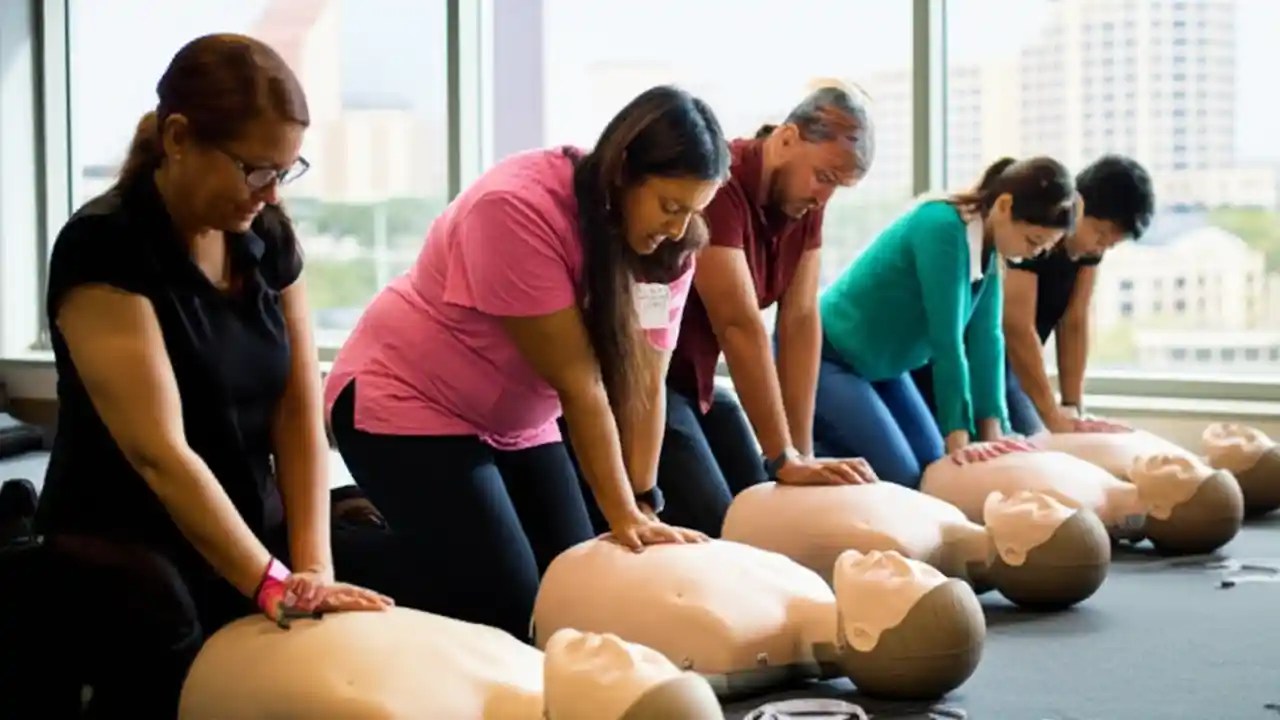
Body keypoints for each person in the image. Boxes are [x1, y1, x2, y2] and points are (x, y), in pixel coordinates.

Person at [15, 34, 392, 717]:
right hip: (130, 536)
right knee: (171, 626)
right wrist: (270, 583)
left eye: (286, 170)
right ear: (181, 138)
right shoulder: (105, 246)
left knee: (395, 567)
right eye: (255, 170)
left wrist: (313, 567)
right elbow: (159, 455)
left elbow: (299, 414)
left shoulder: (266, 235)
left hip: (249, 518)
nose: (272, 191)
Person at [323, 85, 728, 641]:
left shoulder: (670, 248)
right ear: (622, 171)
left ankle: (418, 524)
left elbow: (647, 383)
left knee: (568, 590)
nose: (679, 227)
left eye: (694, 211)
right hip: (408, 400)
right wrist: (623, 518)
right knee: (509, 605)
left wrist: (642, 502)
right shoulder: (517, 207)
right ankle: (336, 540)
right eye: (669, 206)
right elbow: (579, 383)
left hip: (517, 420)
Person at [657, 85, 880, 538]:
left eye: (838, 185)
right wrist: (781, 456)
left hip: (698, 387)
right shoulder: (720, 185)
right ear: (786, 139)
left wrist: (800, 453)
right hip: (651, 381)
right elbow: (738, 324)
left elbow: (799, 320)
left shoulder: (805, 204)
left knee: (766, 508)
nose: (825, 196)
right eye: (824, 175)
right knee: (727, 523)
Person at [814, 157, 1078, 487]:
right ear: (1004, 206)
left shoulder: (990, 249)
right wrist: (959, 441)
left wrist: (993, 431)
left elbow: (987, 341)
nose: (1033, 255)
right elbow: (947, 341)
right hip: (828, 353)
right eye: (1033, 242)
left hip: (884, 367)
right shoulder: (942, 226)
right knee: (904, 477)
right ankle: (803, 451)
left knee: (931, 469)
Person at [1002, 154, 1155, 435]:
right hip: (993, 360)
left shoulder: (1087, 253)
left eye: (1111, 243)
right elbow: (1017, 328)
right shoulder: (1036, 234)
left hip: (1016, 369)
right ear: (1078, 205)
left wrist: (1073, 407)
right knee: (1036, 436)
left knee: (1063, 431)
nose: (1101, 248)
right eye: (1100, 234)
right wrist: (1051, 415)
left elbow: (1074, 321)